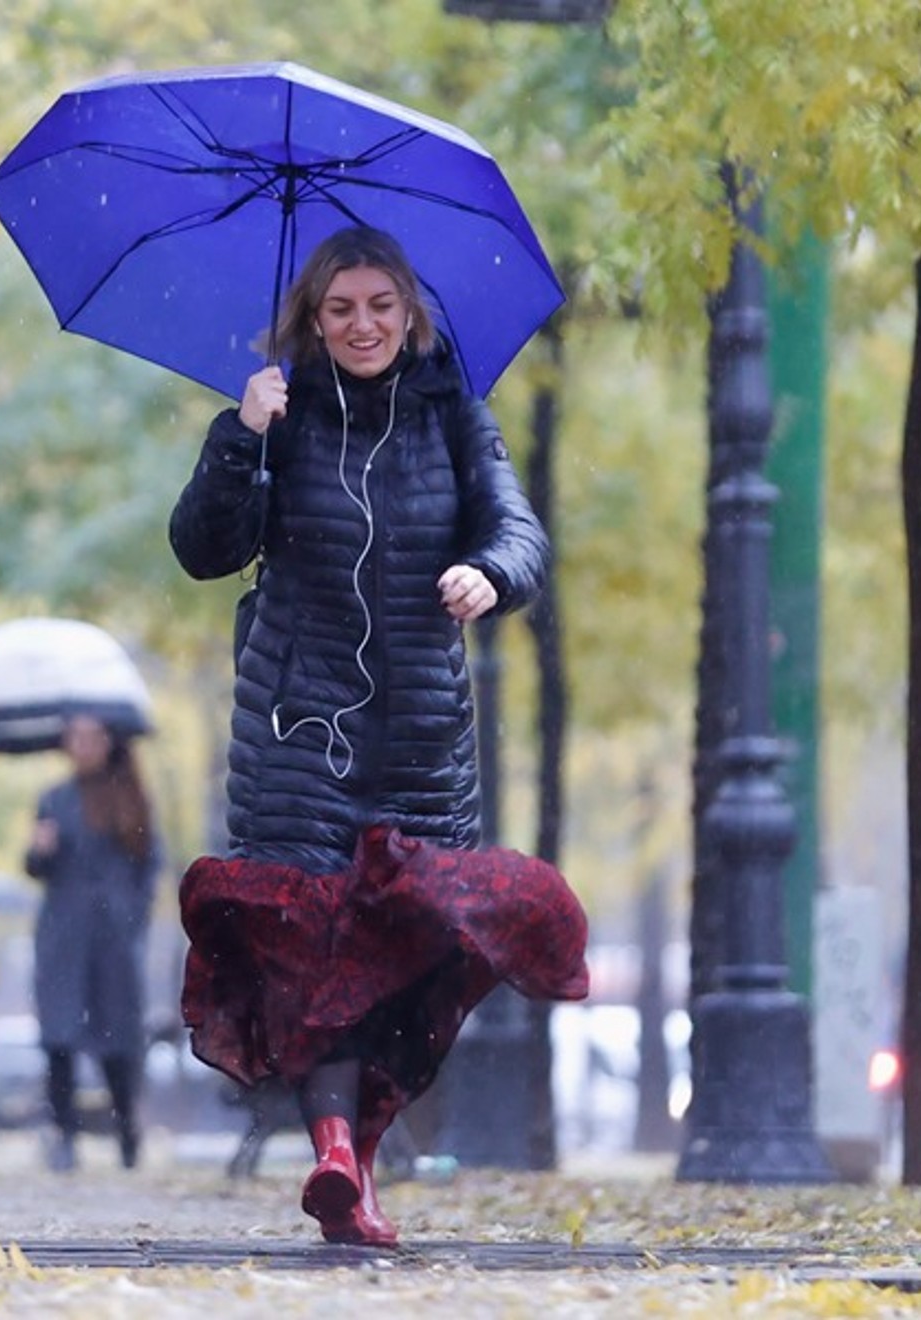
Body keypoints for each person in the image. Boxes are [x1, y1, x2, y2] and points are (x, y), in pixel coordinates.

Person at [168, 225, 589, 1247]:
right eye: (341, 308)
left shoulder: (453, 415)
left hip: (421, 746)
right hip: (298, 739)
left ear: (410, 315)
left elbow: (519, 530)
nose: (362, 325)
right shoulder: (279, 410)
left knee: (408, 954)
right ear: (314, 319)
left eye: (380, 307)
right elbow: (203, 549)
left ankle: (348, 1158)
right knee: (320, 959)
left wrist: (492, 572)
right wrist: (240, 435)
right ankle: (338, 1157)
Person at [23, 712, 160, 1172]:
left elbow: (148, 868)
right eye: (73, 737)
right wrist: (38, 850)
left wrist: (130, 920)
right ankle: (63, 1134)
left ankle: (127, 1132)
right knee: (59, 1036)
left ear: (108, 742)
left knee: (116, 1040)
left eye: (89, 737)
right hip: (63, 935)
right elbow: (35, 868)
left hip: (112, 939)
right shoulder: (54, 800)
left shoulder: (132, 799)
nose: (80, 746)